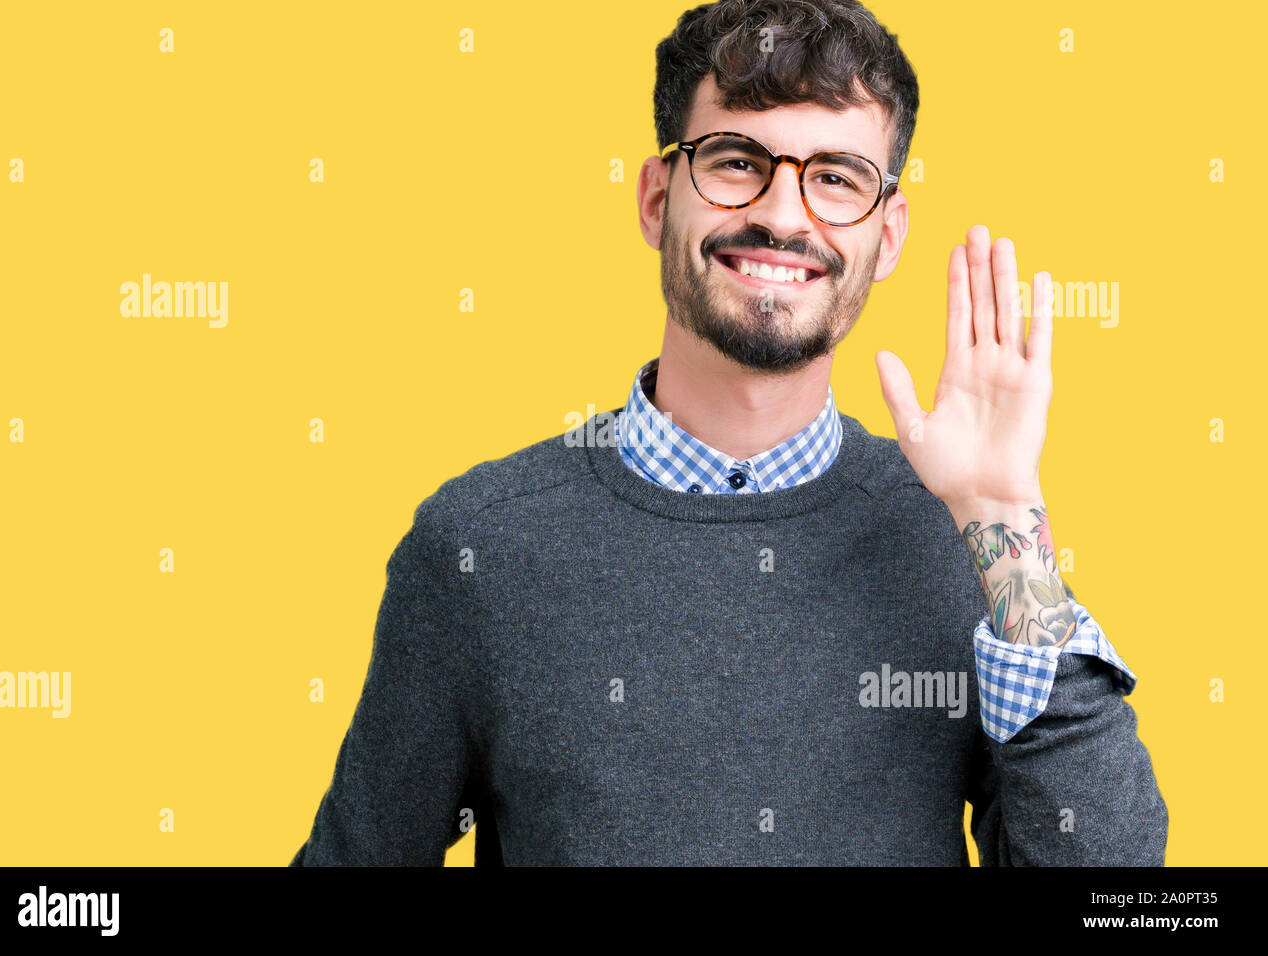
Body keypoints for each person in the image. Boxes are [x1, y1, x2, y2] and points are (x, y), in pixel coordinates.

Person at [290, 0, 1166, 866]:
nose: (785, 216)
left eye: (835, 178)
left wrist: (1004, 520)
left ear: (886, 235)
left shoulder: (964, 536)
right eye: (738, 160)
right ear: (656, 198)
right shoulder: (478, 545)